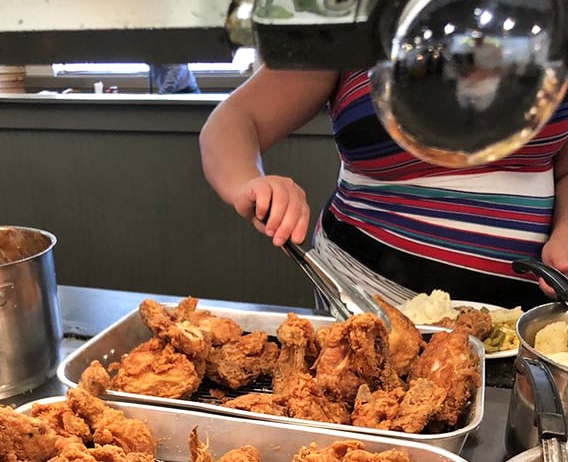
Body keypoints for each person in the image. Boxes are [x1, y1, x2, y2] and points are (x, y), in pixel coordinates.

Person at [199, 66, 568, 309]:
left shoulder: (553, 13)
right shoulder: (354, 15)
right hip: (368, 301)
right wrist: (248, 183)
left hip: (527, 315)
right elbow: (234, 120)